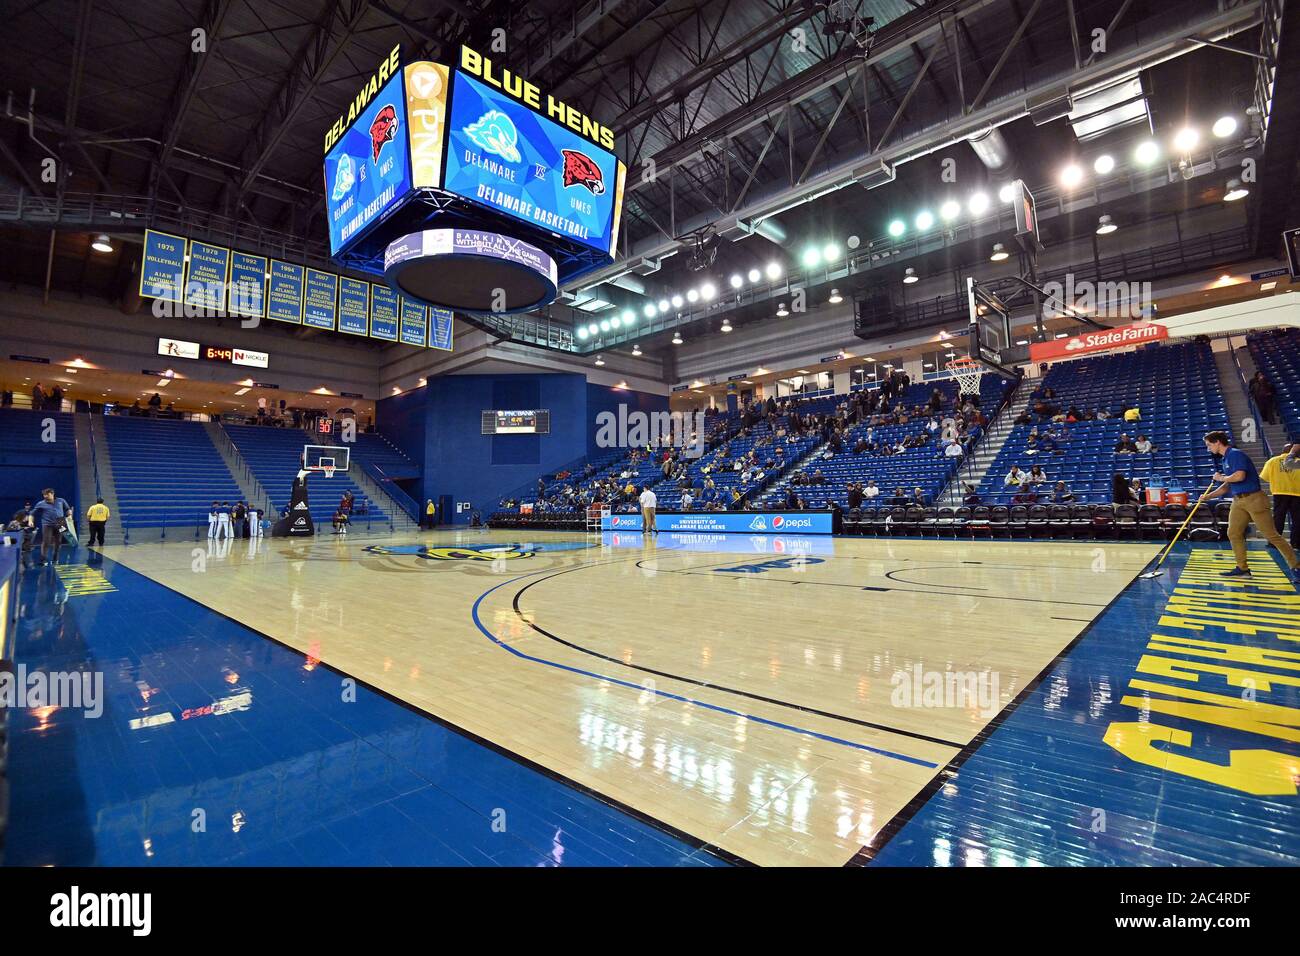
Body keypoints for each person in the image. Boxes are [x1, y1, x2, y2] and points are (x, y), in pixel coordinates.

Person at [1200, 431, 1299, 582]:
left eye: (1209, 445)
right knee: (1233, 533)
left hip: (1254, 498)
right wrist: (1208, 496)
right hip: (1238, 500)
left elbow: (1240, 476)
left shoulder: (1235, 454)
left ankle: (1296, 566)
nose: (1208, 449)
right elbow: (1226, 486)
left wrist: (1221, 477)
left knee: (1271, 535)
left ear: (1218, 442)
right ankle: (1242, 568)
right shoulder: (1225, 459)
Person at [1259, 442, 1300, 552]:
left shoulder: (1272, 461)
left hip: (1279, 493)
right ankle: (1296, 543)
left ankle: (1274, 543)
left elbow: (1265, 477)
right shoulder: (1298, 462)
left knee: (1278, 518)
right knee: (1297, 520)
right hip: (1297, 494)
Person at [30, 487, 72, 566]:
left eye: (47, 494)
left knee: (58, 542)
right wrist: (30, 521)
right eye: (44, 495)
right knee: (46, 542)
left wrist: (70, 516)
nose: (45, 496)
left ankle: (55, 559)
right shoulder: (40, 503)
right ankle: (43, 560)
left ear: (52, 494)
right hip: (47, 524)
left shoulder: (61, 500)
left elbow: (68, 509)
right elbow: (32, 514)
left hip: (61, 523)